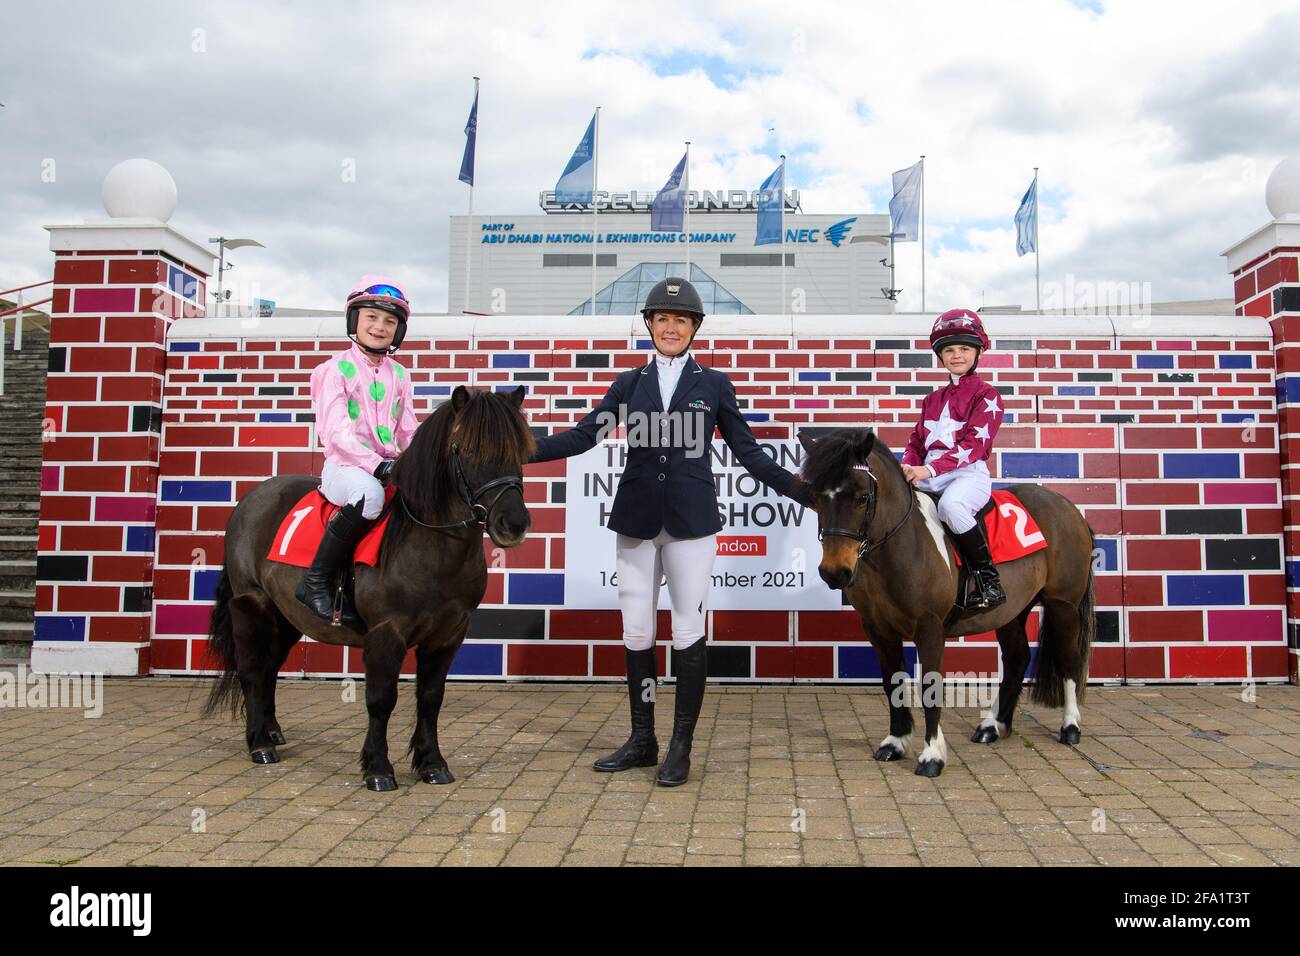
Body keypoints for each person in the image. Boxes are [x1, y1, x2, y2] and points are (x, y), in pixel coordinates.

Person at [530, 278, 815, 786]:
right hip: (636, 518)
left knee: (686, 629)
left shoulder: (714, 384)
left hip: (691, 520)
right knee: (637, 631)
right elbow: (583, 436)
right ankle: (643, 739)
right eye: (662, 319)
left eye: (680, 320)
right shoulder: (627, 383)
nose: (670, 327)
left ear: (694, 328)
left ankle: (680, 746)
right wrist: (520, 451)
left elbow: (747, 452)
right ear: (650, 325)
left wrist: (802, 491)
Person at [295, 276, 419, 626]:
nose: (380, 327)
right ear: (354, 321)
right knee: (370, 496)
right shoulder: (331, 370)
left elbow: (407, 428)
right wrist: (377, 466)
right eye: (372, 317)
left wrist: (427, 456)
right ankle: (314, 582)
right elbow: (335, 432)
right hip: (346, 469)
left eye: (390, 321)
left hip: (388, 466)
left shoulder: (401, 375)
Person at [900, 308, 1007, 609]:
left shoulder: (987, 395)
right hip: (927, 473)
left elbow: (974, 445)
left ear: (978, 353)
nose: (956, 355)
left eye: (964, 349)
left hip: (966, 474)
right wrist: (908, 465)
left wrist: (928, 470)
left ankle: (990, 582)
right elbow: (916, 440)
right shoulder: (931, 400)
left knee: (951, 506)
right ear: (940, 356)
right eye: (949, 350)